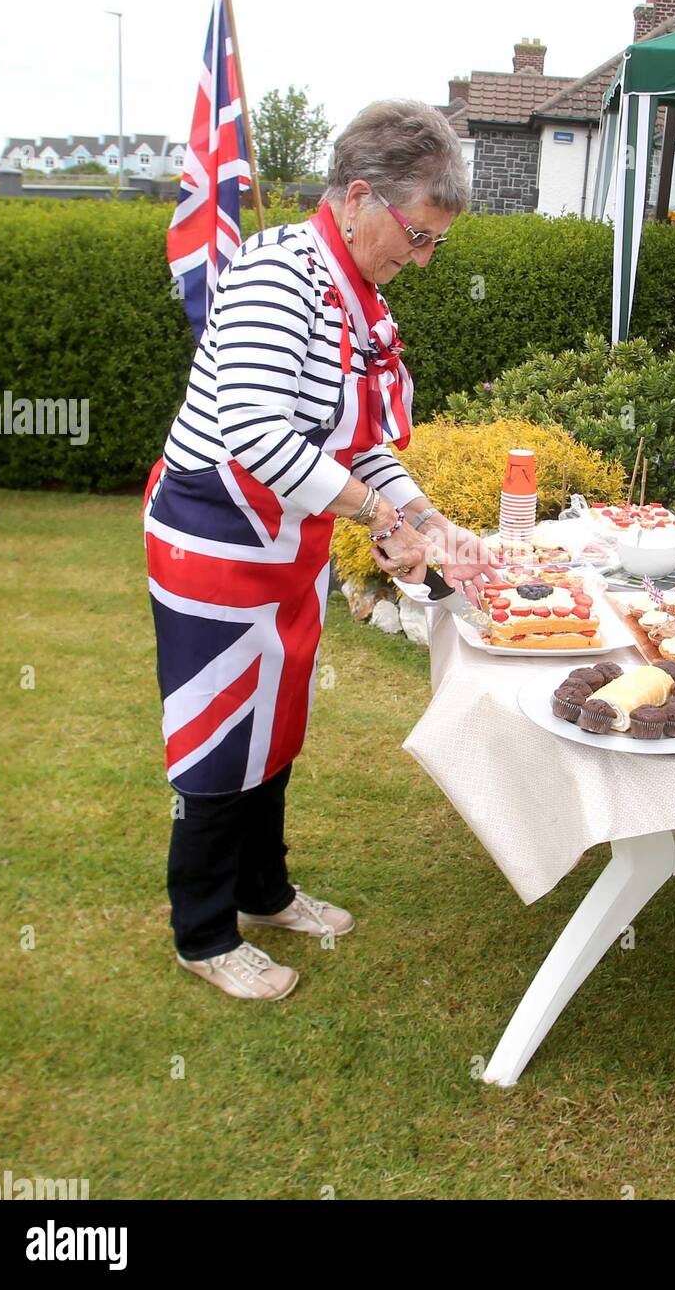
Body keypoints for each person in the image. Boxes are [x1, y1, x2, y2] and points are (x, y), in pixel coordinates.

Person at [144, 100, 498, 1001]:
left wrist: (424, 513)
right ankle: (203, 929)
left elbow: (356, 437)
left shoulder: (356, 291)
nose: (419, 259)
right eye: (417, 236)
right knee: (219, 736)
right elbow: (258, 433)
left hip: (283, 544)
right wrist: (386, 518)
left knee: (275, 724)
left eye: (433, 246)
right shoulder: (278, 273)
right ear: (360, 197)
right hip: (216, 543)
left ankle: (264, 891)